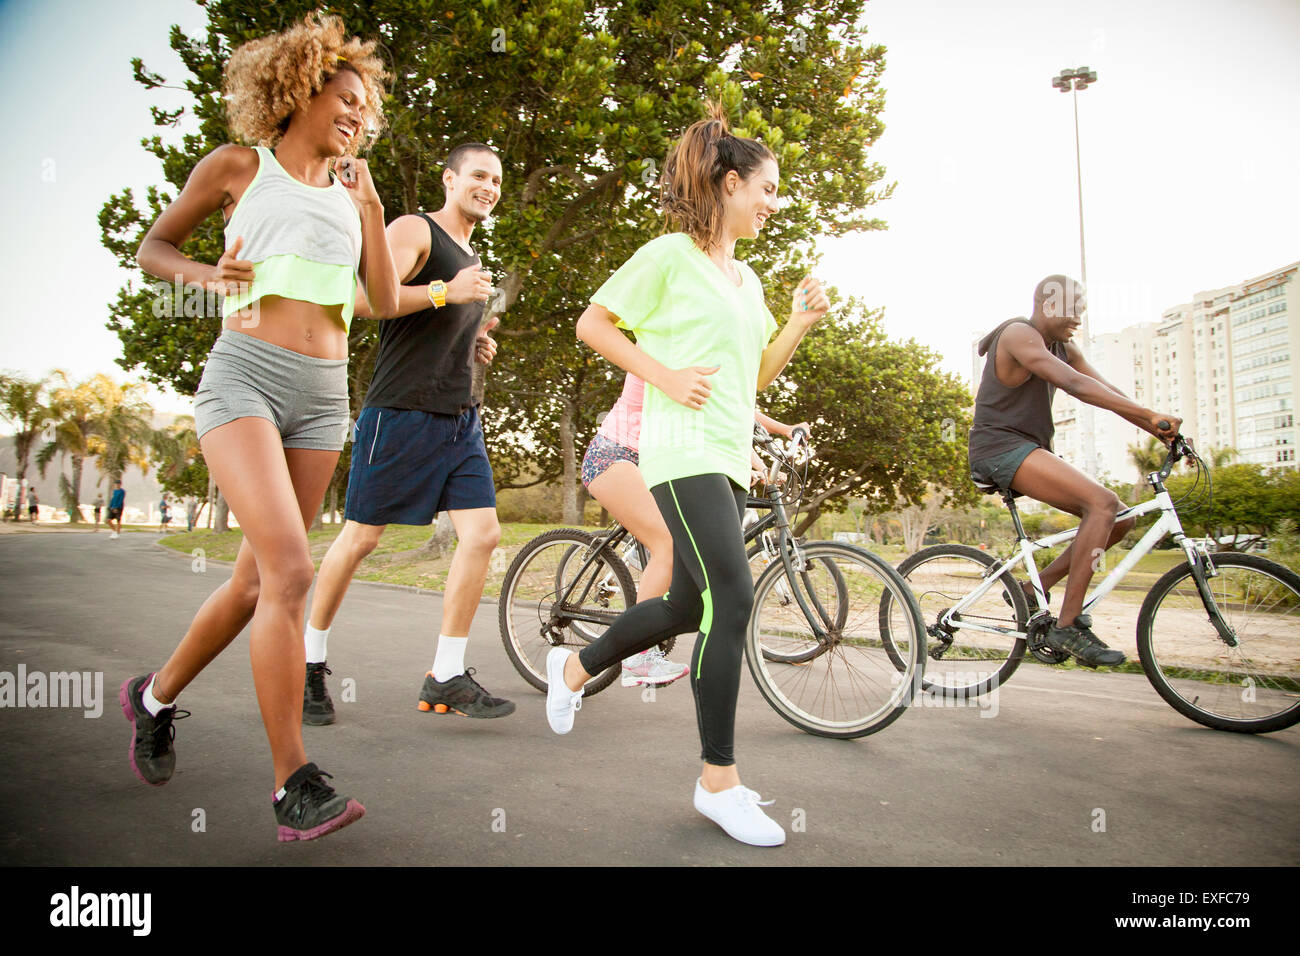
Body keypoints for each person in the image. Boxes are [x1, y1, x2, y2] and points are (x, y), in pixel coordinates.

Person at [121, 13, 398, 842]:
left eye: (365, 106)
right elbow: (153, 246)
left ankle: (154, 696)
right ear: (300, 88)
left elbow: (381, 303)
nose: (356, 114)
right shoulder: (242, 167)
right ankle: (292, 782)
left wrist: (375, 213)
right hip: (243, 376)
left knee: (255, 585)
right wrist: (204, 274)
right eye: (344, 98)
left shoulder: (352, 192)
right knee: (290, 572)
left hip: (320, 394)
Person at [555, 105, 830, 847]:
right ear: (732, 184)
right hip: (680, 455)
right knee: (733, 597)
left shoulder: (748, 280)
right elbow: (593, 324)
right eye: (768, 190)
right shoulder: (669, 255)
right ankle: (718, 780)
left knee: (686, 604)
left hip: (729, 456)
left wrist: (796, 326)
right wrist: (664, 374)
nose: (775, 204)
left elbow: (754, 378)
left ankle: (575, 668)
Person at [301, 143, 507, 727]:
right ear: (449, 179)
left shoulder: (470, 254)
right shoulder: (416, 229)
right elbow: (363, 299)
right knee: (362, 539)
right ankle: (309, 663)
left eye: (495, 180)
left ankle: (446, 673)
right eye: (477, 176)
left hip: (459, 418)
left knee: (483, 534)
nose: (488, 187)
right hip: (400, 413)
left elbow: (435, 329)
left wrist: (474, 344)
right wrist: (447, 292)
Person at [968, 275, 1181, 667]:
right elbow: (1071, 384)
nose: (1079, 318)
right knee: (1101, 504)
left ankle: (1035, 588)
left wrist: (1155, 426)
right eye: (1073, 309)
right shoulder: (1019, 334)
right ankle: (1067, 625)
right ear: (1047, 304)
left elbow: (1101, 388)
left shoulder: (1062, 346)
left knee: (1119, 518)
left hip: (1025, 449)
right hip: (998, 448)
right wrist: (1150, 416)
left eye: (1082, 310)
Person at [581, 372, 807, 688]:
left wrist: (760, 464)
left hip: (657, 461)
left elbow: (730, 414)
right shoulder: (672, 347)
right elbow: (727, 409)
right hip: (615, 453)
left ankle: (653, 620)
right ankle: (637, 656)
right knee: (668, 545)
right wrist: (778, 434)